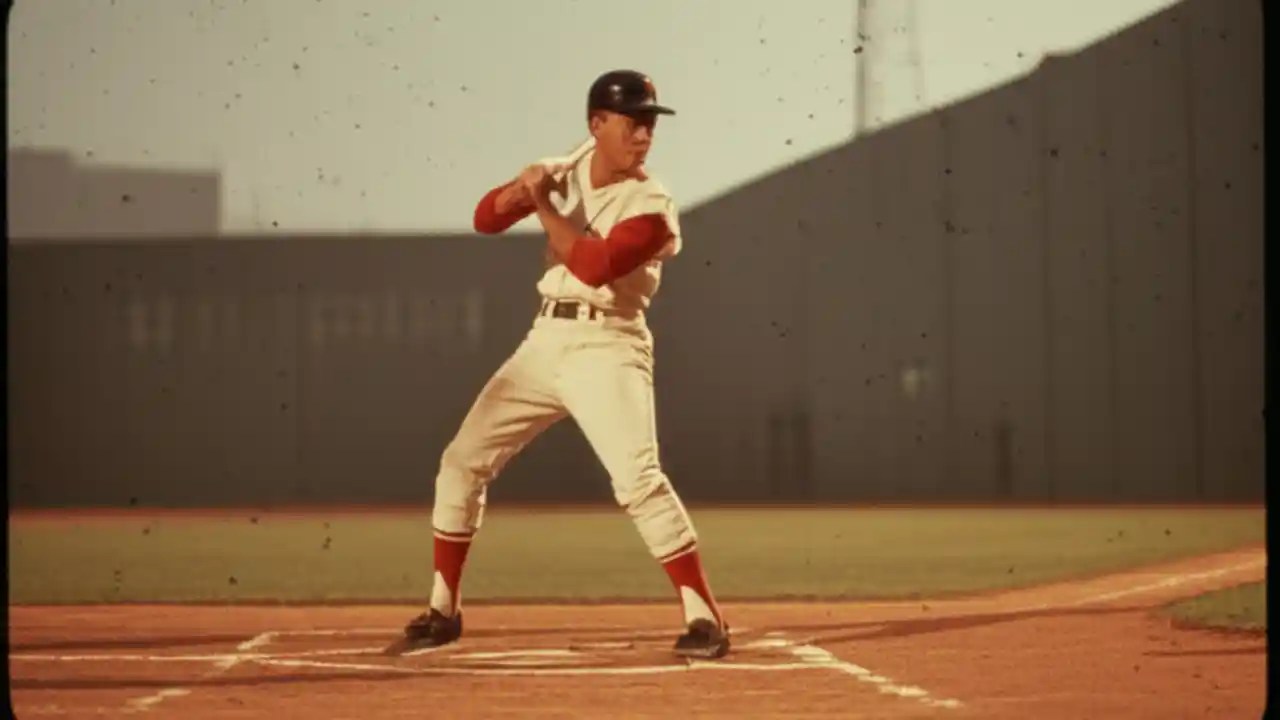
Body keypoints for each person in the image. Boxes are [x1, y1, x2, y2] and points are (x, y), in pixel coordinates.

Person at [393, 70, 730, 660]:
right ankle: (442, 610)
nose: (645, 134)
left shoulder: (652, 202)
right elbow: (485, 218)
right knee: (460, 464)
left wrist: (543, 203)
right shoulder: (563, 171)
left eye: (651, 123)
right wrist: (520, 190)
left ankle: (705, 618)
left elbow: (595, 265)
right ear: (596, 124)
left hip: (610, 345)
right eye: (634, 121)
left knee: (638, 480)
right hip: (545, 337)